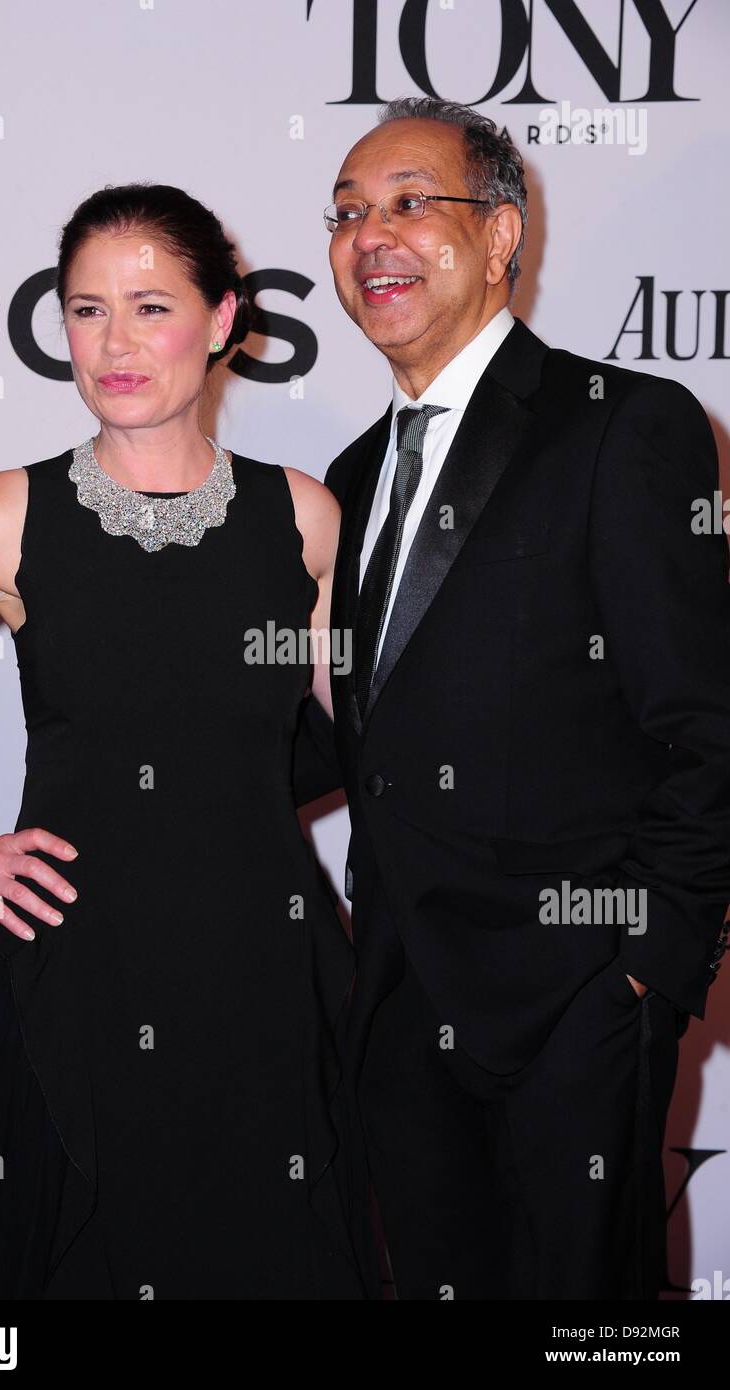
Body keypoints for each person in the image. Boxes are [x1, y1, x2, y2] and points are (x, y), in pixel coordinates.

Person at [0, 182, 370, 1300]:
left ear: (224, 318)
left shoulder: (304, 517)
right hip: (70, 977)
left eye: (151, 305)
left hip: (264, 983)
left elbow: (380, 747)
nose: (114, 342)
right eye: (86, 309)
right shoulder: (13, 511)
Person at [294, 96, 730, 1300]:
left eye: (406, 203)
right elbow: (342, 730)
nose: (369, 235)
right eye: (345, 212)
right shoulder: (350, 478)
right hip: (396, 1003)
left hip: (573, 1004)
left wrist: (640, 968)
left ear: (500, 237)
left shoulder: (622, 426)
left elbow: (707, 725)